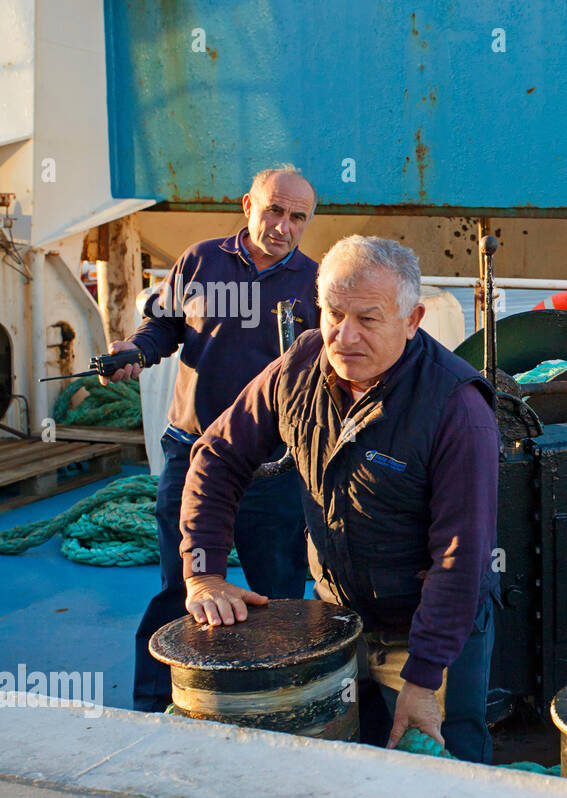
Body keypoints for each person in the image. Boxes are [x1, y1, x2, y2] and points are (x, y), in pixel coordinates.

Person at [176, 236, 500, 761]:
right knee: (351, 756)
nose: (344, 337)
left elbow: (460, 559)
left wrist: (422, 678)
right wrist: (204, 572)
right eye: (332, 314)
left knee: (448, 772)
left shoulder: (457, 409)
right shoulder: (300, 363)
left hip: (427, 629)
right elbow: (217, 454)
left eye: (368, 320)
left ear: (413, 318)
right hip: (337, 617)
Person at [104, 164, 321, 712]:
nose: (284, 226)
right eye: (274, 210)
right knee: (183, 586)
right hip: (193, 454)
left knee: (277, 594)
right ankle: (157, 707)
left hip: (276, 467)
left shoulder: (318, 284)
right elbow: (164, 327)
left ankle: (271, 705)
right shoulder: (200, 260)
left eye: (298, 217)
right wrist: (136, 353)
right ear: (247, 203)